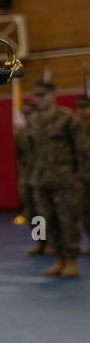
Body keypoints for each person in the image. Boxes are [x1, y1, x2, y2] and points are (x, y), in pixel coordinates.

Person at [27, 81, 82, 278]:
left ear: (53, 95)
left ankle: (72, 260)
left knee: (67, 220)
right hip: (41, 179)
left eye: (42, 95)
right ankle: (59, 259)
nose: (39, 99)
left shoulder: (66, 118)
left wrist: (79, 176)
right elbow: (32, 151)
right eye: (36, 96)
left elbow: (80, 149)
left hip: (64, 179)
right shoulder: (33, 120)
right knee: (47, 221)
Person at [15, 95, 37, 230]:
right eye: (25, 113)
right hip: (27, 177)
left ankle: (53, 242)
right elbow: (20, 156)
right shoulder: (20, 134)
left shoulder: (44, 131)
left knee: (46, 212)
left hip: (44, 176)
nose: (27, 116)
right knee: (32, 211)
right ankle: (41, 242)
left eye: (30, 113)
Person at [76, 96, 90, 256]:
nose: (83, 111)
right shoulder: (77, 128)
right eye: (80, 108)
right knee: (85, 213)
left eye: (85, 107)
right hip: (82, 178)